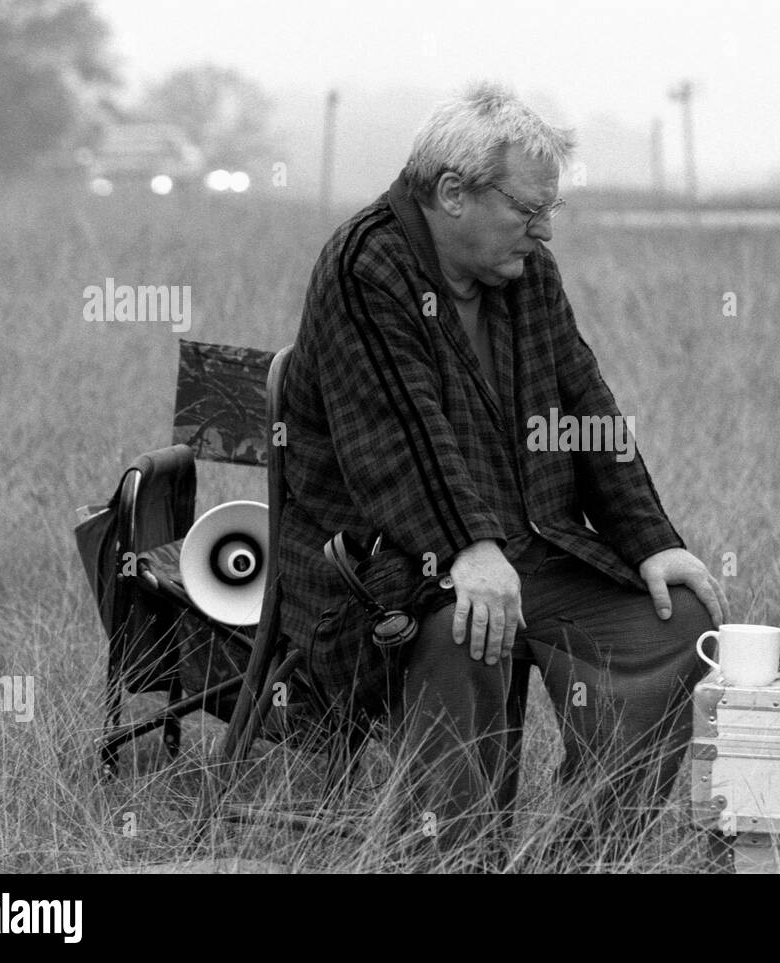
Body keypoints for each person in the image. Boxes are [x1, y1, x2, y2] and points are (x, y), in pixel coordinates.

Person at [277, 81, 726, 861]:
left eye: (549, 210)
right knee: (469, 624)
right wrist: (468, 549)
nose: (544, 229)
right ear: (453, 192)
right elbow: (399, 433)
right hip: (383, 564)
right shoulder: (366, 266)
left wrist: (651, 539)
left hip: (523, 547)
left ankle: (581, 851)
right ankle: (454, 857)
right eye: (527, 208)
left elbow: (584, 403)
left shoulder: (525, 274)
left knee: (679, 621)